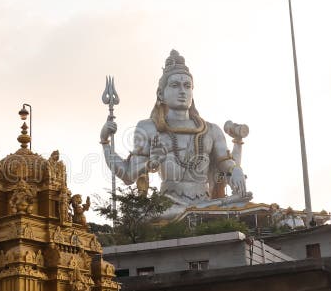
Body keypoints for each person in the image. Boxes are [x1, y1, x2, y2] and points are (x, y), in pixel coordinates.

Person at [100, 50, 250, 215]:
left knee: (246, 204)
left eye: (187, 86)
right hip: (168, 206)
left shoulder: (211, 130)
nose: (182, 91)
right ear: (161, 94)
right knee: (143, 214)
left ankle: (198, 211)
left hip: (208, 203)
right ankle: (190, 212)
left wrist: (235, 169)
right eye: (175, 85)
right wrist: (106, 141)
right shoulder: (148, 128)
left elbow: (225, 165)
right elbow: (128, 175)